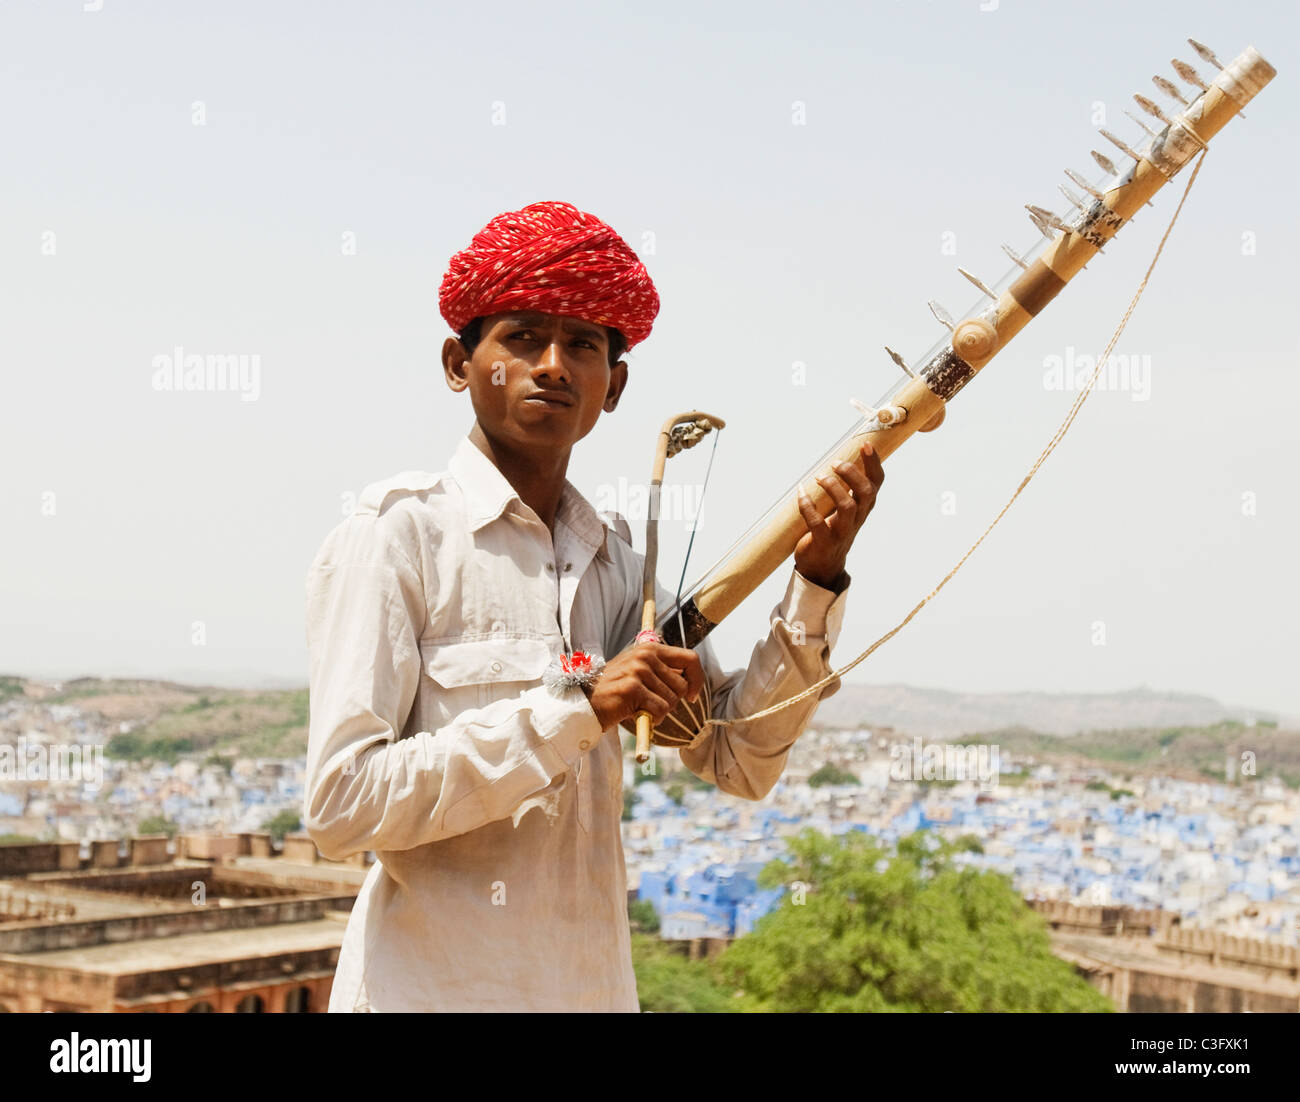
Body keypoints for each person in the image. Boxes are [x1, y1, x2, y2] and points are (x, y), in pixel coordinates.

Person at [302, 199, 884, 1011]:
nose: (552, 364)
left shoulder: (620, 567)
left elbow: (737, 760)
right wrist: (578, 708)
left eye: (582, 344)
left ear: (613, 385)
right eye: (522, 336)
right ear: (457, 362)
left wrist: (817, 576)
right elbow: (339, 806)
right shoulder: (398, 539)